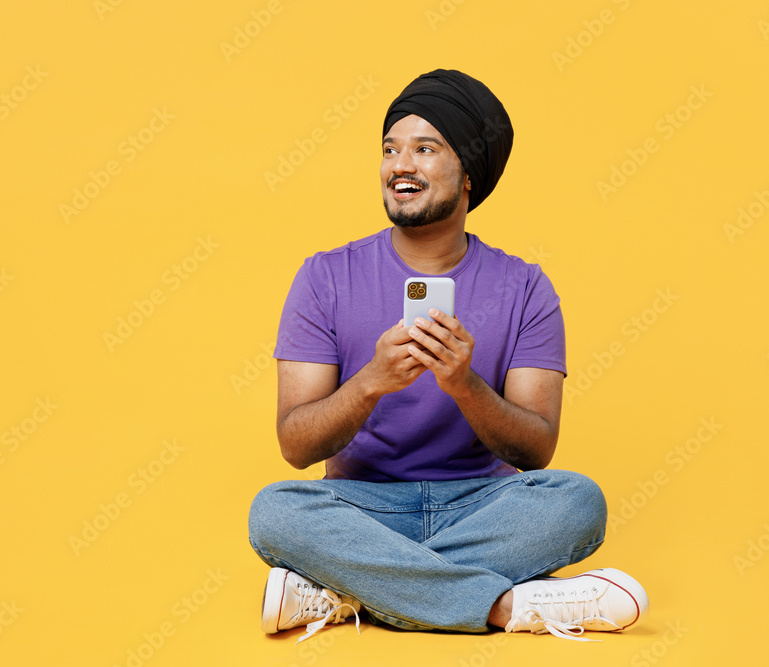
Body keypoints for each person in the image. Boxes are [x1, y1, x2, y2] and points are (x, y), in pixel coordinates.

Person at [248, 69, 648, 643]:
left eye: (425, 149)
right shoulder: (324, 277)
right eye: (390, 149)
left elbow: (536, 450)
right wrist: (371, 381)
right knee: (274, 512)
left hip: (481, 505)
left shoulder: (525, 288)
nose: (399, 166)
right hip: (362, 509)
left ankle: (350, 590)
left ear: (469, 177)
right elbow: (296, 446)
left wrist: (465, 385)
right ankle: (505, 606)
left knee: (579, 501)